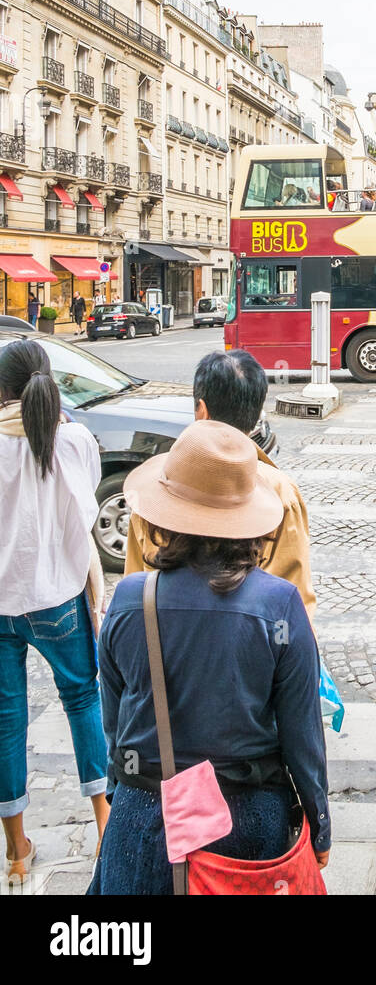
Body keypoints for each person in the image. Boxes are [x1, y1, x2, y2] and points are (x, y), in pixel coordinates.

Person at [88, 420, 330, 895]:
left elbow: (114, 721)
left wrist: (122, 792)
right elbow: (303, 735)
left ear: (164, 515)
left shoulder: (130, 597)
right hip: (249, 822)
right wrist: (318, 821)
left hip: (145, 817)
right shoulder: (280, 605)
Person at [0, 339, 109, 885]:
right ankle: (105, 829)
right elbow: (85, 504)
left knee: (6, 721)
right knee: (84, 703)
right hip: (59, 596)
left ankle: (18, 849)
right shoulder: (73, 440)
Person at [125, 350, 316, 620]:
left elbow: (134, 592)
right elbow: (294, 605)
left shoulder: (156, 488)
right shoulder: (280, 492)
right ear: (256, 412)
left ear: (201, 410)